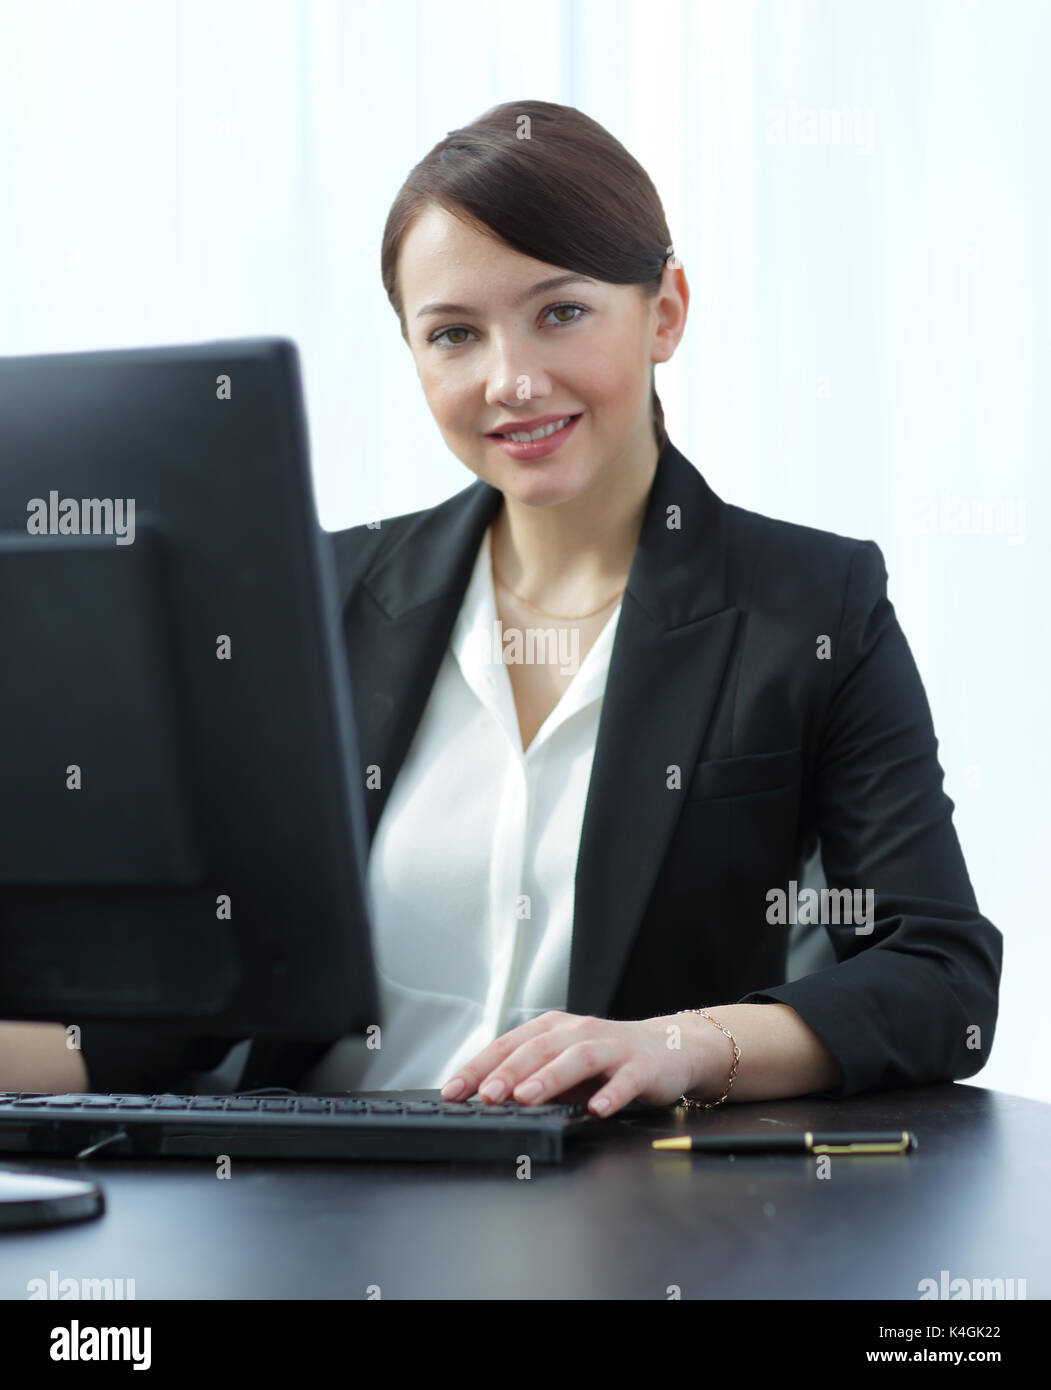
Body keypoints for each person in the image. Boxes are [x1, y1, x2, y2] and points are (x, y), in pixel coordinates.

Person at [4, 99, 1001, 1112]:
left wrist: (683, 1044)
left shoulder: (813, 605)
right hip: (324, 1203)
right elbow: (192, 1001)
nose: (512, 380)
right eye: (453, 335)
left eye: (559, 311)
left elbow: (938, 974)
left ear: (664, 311)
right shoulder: (321, 601)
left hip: (634, 1226)